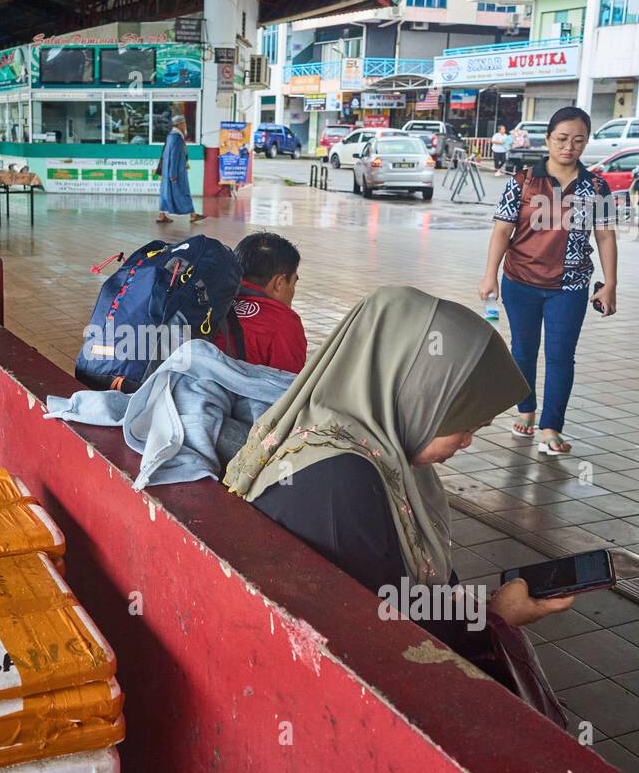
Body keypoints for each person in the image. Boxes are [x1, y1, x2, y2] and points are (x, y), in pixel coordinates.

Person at [224, 286, 573, 705]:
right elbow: (391, 634)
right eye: (464, 423)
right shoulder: (340, 480)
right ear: (418, 395)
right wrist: (495, 616)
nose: (466, 442)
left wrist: (484, 606)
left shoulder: (369, 444)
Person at [478, 105, 617, 456]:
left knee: (560, 356)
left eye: (578, 140)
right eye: (562, 139)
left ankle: (551, 427)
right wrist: (489, 275)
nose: (569, 147)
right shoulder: (522, 181)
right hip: (520, 280)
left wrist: (610, 283)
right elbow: (501, 232)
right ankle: (526, 408)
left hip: (570, 286)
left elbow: (605, 236)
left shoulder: (598, 186)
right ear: (549, 139)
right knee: (523, 351)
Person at [213, 231, 307, 372]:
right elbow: (290, 387)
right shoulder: (283, 323)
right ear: (279, 283)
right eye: (293, 283)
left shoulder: (209, 301)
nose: (293, 290)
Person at [156, 114, 204, 225]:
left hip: (168, 171)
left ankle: (161, 215)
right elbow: (174, 156)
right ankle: (193, 215)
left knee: (165, 193)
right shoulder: (177, 137)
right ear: (180, 124)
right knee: (183, 192)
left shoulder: (171, 136)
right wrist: (173, 174)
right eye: (184, 124)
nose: (185, 126)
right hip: (176, 172)